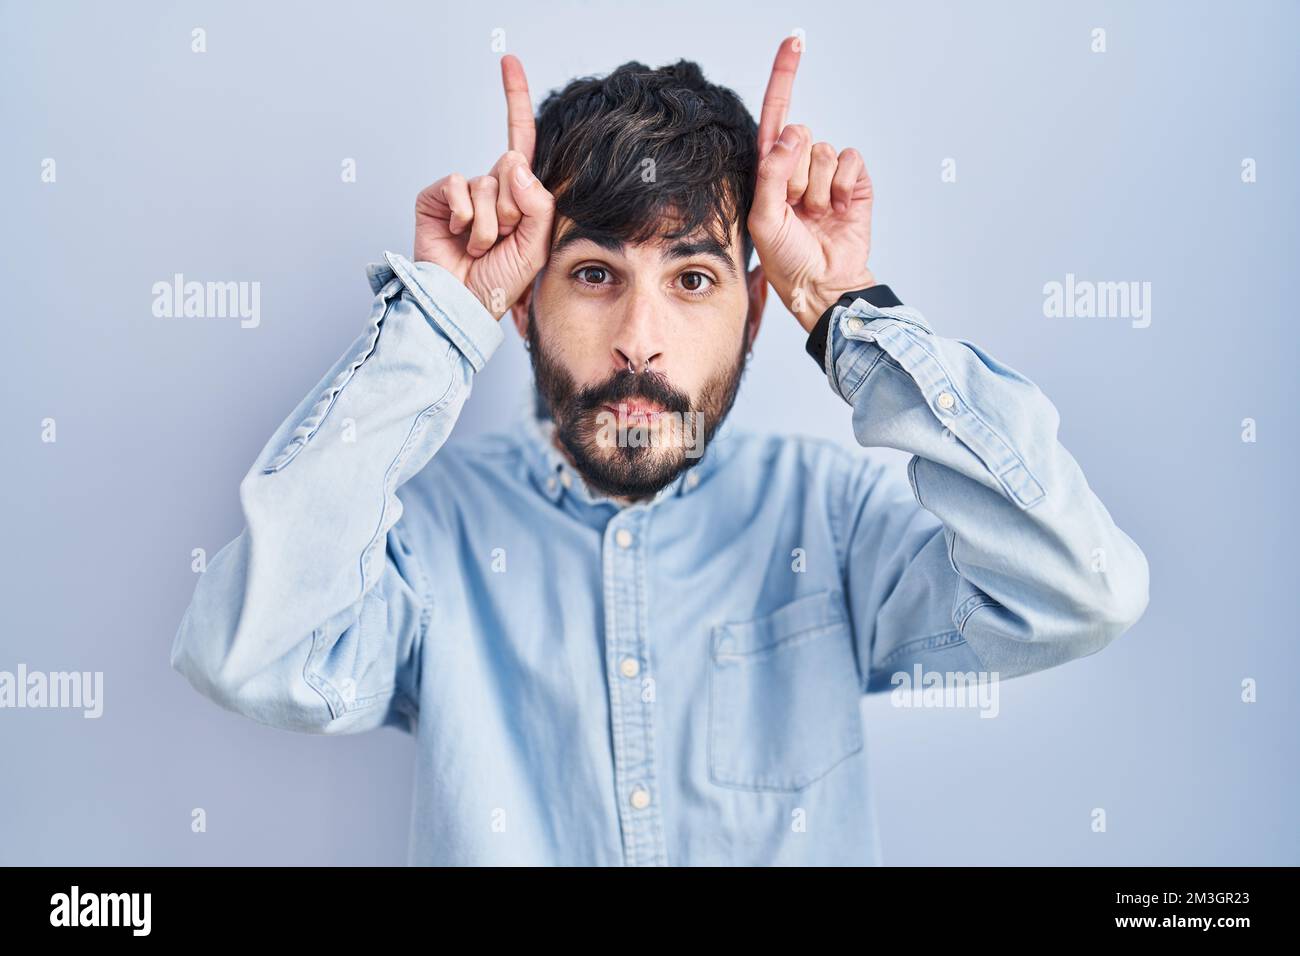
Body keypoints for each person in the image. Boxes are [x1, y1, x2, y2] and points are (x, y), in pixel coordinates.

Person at [170, 38, 1149, 865]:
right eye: (595, 272)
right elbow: (248, 652)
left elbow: (1079, 587)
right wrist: (438, 321)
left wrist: (845, 312)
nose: (639, 339)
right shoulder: (426, 537)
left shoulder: (832, 523)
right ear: (522, 306)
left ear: (755, 308)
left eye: (691, 278)